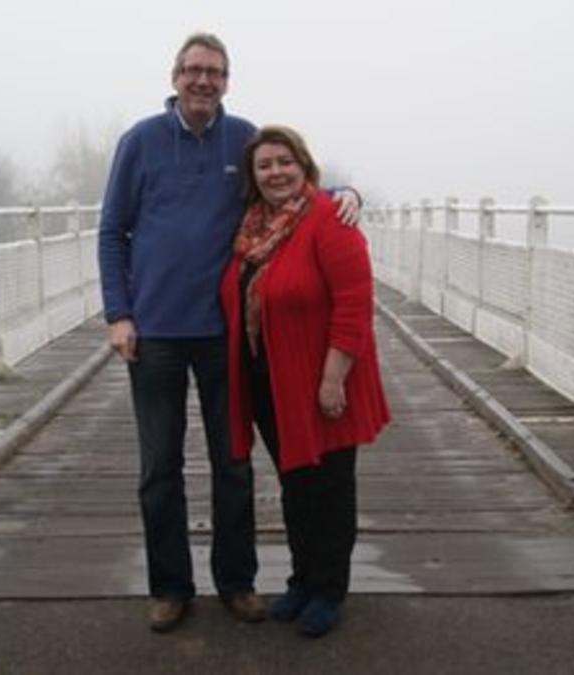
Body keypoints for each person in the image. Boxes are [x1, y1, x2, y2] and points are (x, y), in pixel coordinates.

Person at [97, 33, 360, 633]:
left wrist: (345, 194)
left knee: (233, 463)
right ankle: (170, 587)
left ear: (227, 81)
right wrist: (118, 313)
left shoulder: (241, 138)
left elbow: (286, 183)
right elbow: (112, 231)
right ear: (175, 76)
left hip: (226, 334)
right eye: (193, 70)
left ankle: (236, 582)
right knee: (159, 467)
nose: (203, 81)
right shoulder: (140, 141)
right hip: (154, 334)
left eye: (214, 72)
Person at [219, 125, 390, 638]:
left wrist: (333, 379)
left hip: (323, 380)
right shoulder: (252, 227)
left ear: (304, 165)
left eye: (284, 162)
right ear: (253, 176)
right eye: (264, 165)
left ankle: (328, 589)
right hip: (270, 382)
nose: (276, 172)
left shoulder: (330, 219)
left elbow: (354, 306)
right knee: (295, 485)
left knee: (330, 488)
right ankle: (302, 580)